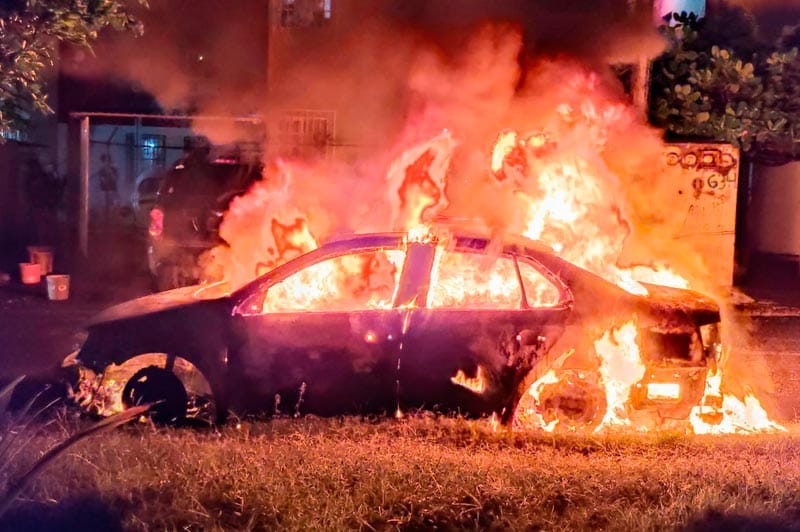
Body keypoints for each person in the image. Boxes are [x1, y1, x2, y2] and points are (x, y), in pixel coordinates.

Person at [96, 152, 120, 220]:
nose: (107, 162)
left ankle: (113, 218)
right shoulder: (101, 170)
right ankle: (104, 219)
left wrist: (111, 172)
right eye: (105, 161)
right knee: (104, 206)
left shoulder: (113, 169)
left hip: (113, 190)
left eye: (108, 160)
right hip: (104, 191)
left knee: (115, 204)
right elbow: (102, 180)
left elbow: (115, 179)